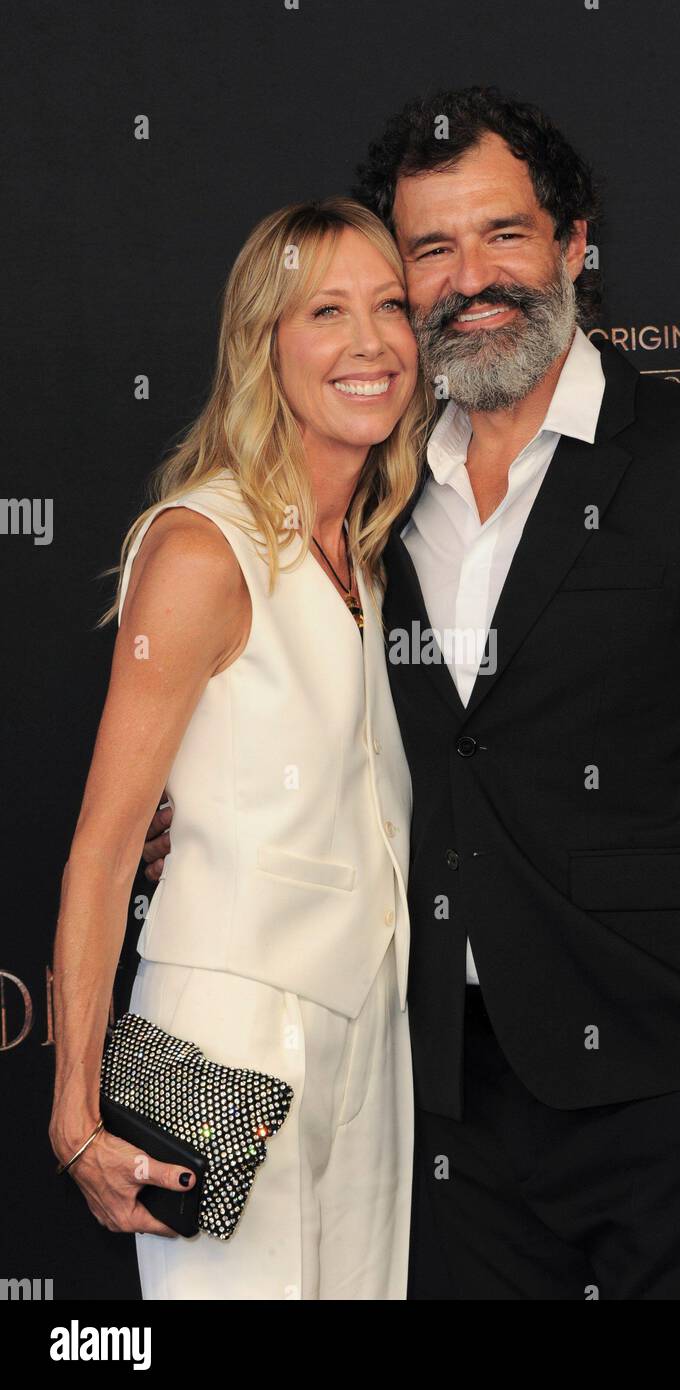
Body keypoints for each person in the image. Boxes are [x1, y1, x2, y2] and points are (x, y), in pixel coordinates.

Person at [352, 87, 680, 1298]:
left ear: (574, 244)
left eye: (502, 234)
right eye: (431, 247)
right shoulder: (376, 498)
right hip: (448, 1107)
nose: (469, 276)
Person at [49, 197, 431, 1300]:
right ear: (263, 344)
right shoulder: (201, 546)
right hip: (222, 1040)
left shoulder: (361, 555)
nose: (370, 343)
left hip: (368, 1028)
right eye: (327, 311)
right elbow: (106, 846)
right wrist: (76, 1111)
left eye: (391, 306)